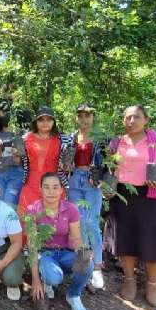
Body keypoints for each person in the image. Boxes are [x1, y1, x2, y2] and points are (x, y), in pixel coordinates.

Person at [108, 105, 156, 307]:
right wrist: (108, 187)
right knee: (125, 238)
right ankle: (129, 280)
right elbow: (111, 170)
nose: (131, 121)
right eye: (127, 117)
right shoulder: (116, 143)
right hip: (122, 196)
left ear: (146, 119)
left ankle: (151, 284)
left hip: (151, 196)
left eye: (136, 117)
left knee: (154, 240)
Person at [27, 173, 94, 310]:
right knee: (54, 278)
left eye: (55, 187)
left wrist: (83, 252)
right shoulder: (33, 210)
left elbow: (75, 238)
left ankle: (73, 295)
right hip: (45, 254)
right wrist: (35, 280)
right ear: (40, 189)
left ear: (61, 190)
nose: (51, 192)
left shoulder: (71, 209)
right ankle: (46, 277)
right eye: (47, 187)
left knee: (87, 262)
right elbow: (32, 246)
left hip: (65, 252)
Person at [65, 104, 106, 290]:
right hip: (74, 181)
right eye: (80, 115)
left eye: (88, 115)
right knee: (77, 222)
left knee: (91, 222)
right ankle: (83, 263)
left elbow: (110, 163)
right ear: (76, 118)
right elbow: (64, 161)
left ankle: (97, 265)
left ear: (93, 117)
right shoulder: (71, 138)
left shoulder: (101, 139)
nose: (84, 119)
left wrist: (105, 180)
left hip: (92, 182)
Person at [16, 106, 68, 221]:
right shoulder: (25, 138)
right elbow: (19, 162)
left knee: (53, 222)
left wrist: (67, 165)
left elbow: (68, 164)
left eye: (49, 119)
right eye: (41, 119)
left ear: (54, 122)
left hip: (53, 186)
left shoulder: (63, 139)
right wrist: (16, 155)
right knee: (27, 220)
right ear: (36, 121)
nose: (45, 123)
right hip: (31, 184)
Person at [0, 101, 24, 207]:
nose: (2, 117)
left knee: (10, 203)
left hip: (15, 173)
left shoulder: (18, 133)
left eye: (4, 113)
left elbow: (21, 159)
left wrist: (16, 152)